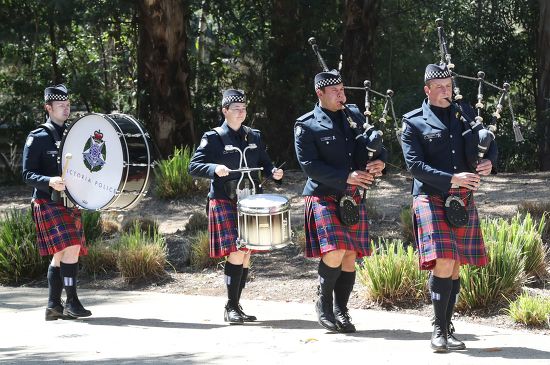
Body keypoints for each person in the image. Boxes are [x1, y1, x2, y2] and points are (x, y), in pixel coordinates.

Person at [401, 64, 497, 352]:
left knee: (454, 266)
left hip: (462, 197)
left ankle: (448, 326)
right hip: (430, 196)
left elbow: (488, 141)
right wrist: (452, 179)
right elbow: (415, 166)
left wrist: (489, 162)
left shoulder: (465, 113)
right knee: (444, 260)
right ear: (427, 90)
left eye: (449, 85)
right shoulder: (413, 122)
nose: (447, 91)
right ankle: (438, 330)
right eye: (440, 87)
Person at [294, 70, 387, 333]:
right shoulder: (307, 125)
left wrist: (380, 160)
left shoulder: (354, 115)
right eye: (335, 91)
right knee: (334, 250)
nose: (341, 95)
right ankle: (323, 304)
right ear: (319, 93)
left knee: (349, 255)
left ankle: (341, 310)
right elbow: (310, 166)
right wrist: (347, 176)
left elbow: (373, 145)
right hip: (323, 194)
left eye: (343, 89)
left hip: (352, 195)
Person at [188, 89, 284, 324]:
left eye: (244, 108)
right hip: (224, 200)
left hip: (251, 201)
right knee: (237, 251)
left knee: (246, 254)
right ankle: (231, 306)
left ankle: (236, 306)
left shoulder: (255, 136)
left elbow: (264, 162)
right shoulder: (213, 137)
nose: (241, 112)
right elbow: (194, 166)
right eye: (236, 109)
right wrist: (214, 169)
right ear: (225, 111)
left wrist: (274, 172)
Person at [22, 84, 92, 320]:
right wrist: (49, 180)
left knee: (62, 255)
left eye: (68, 104)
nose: (66, 109)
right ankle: (71, 301)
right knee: (71, 247)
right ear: (48, 108)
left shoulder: (74, 136)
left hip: (69, 203)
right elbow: (27, 174)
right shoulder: (38, 137)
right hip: (47, 201)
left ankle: (53, 306)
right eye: (61, 105)